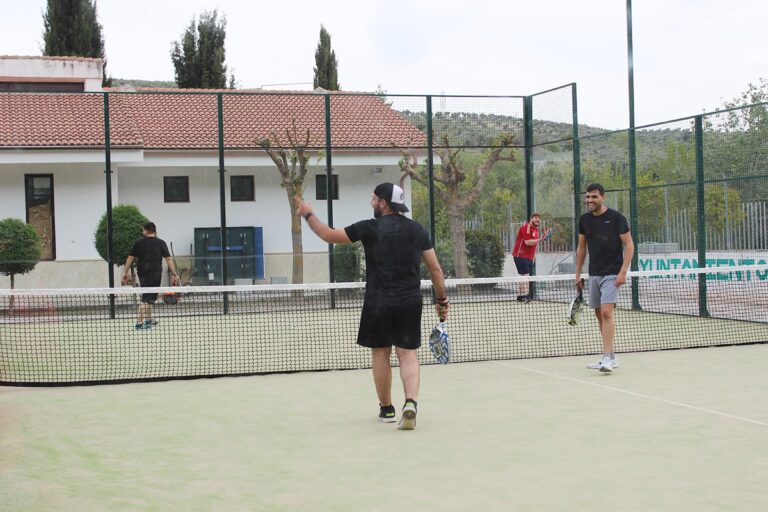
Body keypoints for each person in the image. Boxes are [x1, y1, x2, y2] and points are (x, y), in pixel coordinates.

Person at [296, 183, 448, 430]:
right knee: (407, 354)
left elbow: (327, 234)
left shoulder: (369, 228)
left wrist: (307, 213)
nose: (371, 202)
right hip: (409, 302)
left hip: (378, 302)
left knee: (380, 353)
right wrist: (442, 300)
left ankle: (386, 408)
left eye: (374, 198)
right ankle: (410, 403)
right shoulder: (417, 230)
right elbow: (435, 269)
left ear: (384, 203)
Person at [574, 183, 634, 373]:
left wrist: (623, 272)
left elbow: (630, 245)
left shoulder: (616, 218)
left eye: (594, 197)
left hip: (612, 273)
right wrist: (578, 273)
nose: (589, 200)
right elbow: (581, 247)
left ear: (602, 198)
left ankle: (606, 358)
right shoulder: (584, 220)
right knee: (599, 314)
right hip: (594, 273)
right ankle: (611, 357)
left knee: (607, 312)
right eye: (587, 197)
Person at [121, 222, 178, 330]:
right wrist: (174, 273)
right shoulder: (161, 243)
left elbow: (130, 258)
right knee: (146, 298)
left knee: (150, 297)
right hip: (156, 273)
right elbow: (169, 259)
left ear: (146, 230)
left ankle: (148, 320)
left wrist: (125, 272)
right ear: (154, 231)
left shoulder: (138, 243)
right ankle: (139, 323)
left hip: (142, 273)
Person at [511, 212, 551, 302]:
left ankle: (520, 296)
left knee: (522, 275)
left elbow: (533, 244)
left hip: (528, 257)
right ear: (531, 219)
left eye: (539, 218)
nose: (537, 219)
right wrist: (540, 239)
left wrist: (533, 255)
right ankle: (526, 295)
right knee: (525, 275)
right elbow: (528, 242)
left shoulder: (536, 230)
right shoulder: (527, 227)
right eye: (535, 218)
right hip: (520, 255)